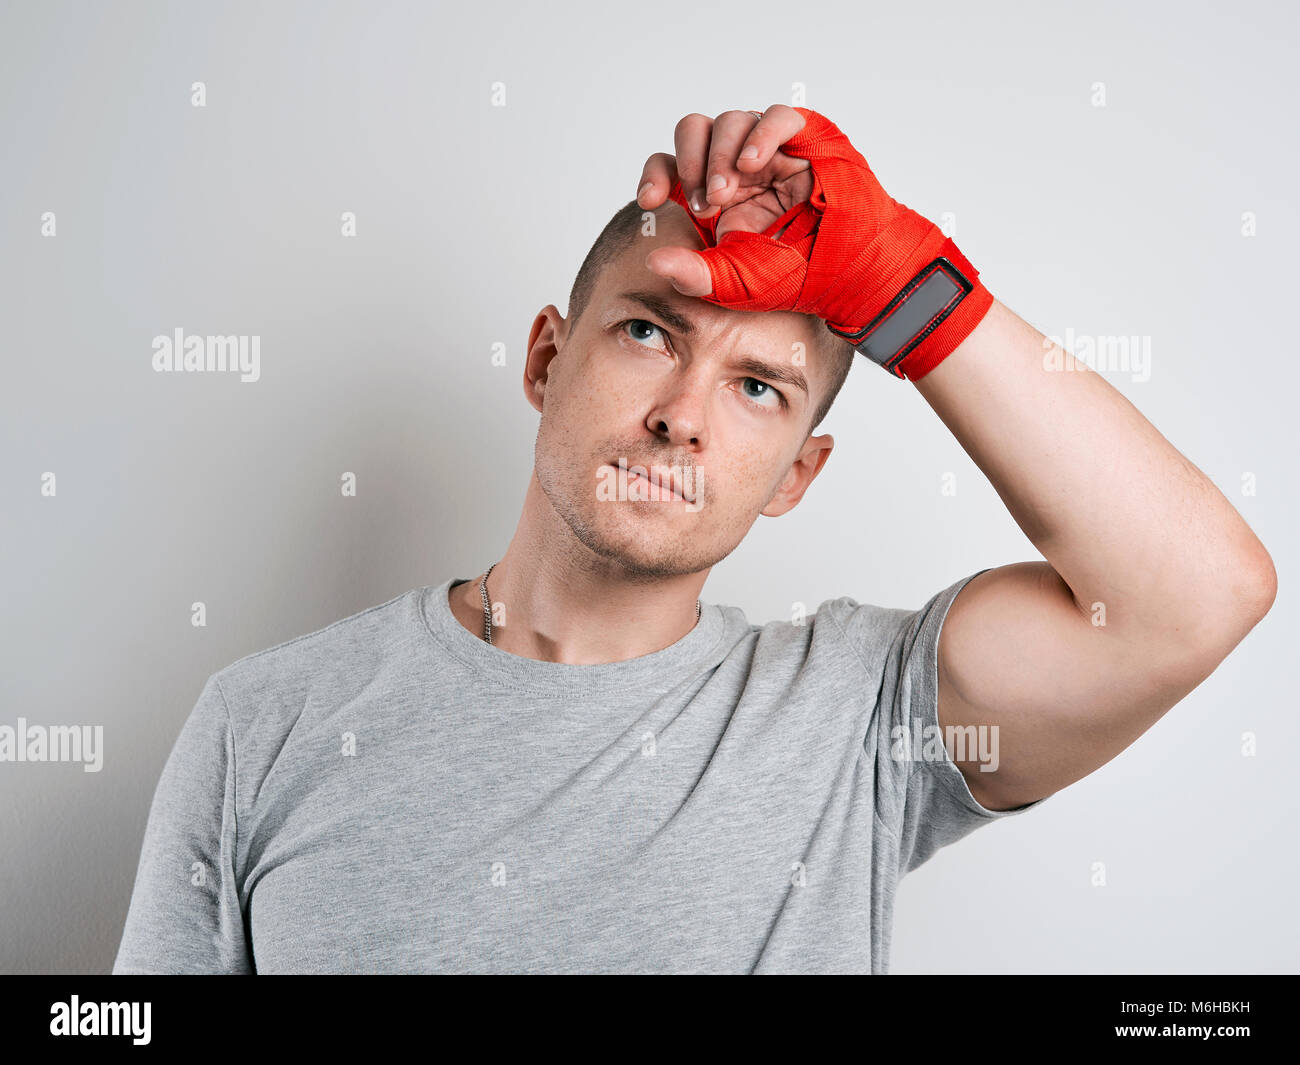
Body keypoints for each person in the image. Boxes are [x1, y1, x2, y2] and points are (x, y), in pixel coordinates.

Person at [113, 105, 1276, 975]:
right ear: (544, 359)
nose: (680, 414)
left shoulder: (857, 719)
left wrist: (909, 293)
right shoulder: (262, 722)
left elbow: (1197, 596)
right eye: (645, 332)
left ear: (795, 479)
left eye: (759, 389)